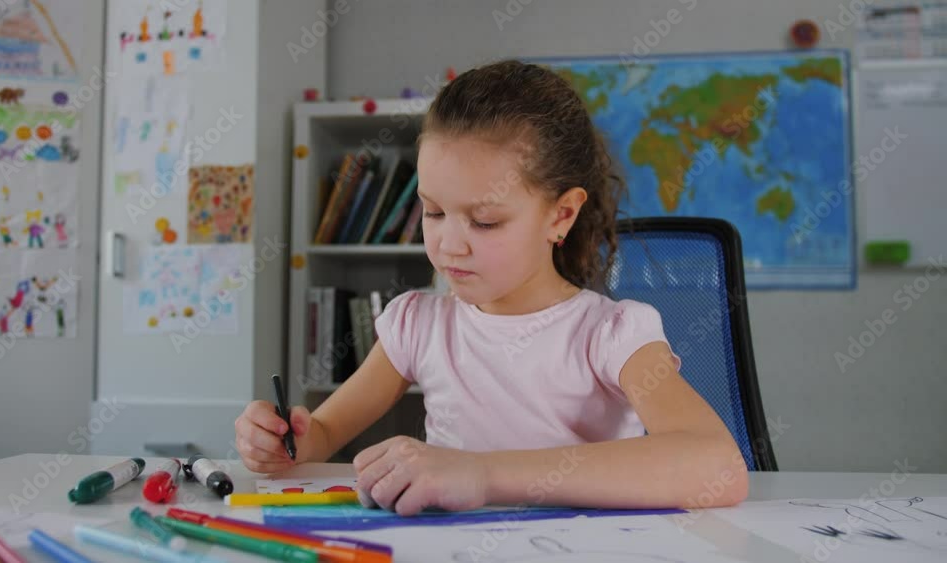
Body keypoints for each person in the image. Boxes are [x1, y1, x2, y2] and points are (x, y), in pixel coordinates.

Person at [235, 60, 748, 515]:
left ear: (561, 215)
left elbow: (717, 466)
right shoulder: (417, 323)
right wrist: (284, 442)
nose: (449, 246)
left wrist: (481, 474)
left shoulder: (612, 333)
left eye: (484, 222)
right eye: (433, 212)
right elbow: (322, 436)